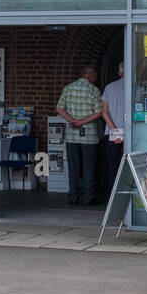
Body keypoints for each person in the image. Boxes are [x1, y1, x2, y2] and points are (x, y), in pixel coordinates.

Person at [56, 64, 102, 206]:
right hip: (89, 136)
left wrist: (73, 121)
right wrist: (82, 121)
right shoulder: (93, 90)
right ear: (90, 74)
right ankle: (88, 197)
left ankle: (73, 196)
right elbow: (98, 112)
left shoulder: (68, 88)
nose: (96, 78)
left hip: (71, 135)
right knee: (88, 166)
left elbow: (59, 108)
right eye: (95, 75)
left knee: (73, 166)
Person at [100, 60, 127, 196]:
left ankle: (113, 195)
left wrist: (116, 132)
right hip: (131, 132)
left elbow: (104, 112)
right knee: (131, 165)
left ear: (119, 72)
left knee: (113, 166)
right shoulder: (136, 87)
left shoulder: (109, 87)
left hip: (112, 132)